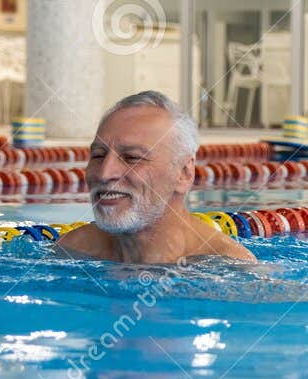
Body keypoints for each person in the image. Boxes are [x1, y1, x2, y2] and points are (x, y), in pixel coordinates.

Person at [58, 91, 254, 264]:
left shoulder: (227, 269)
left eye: (132, 158)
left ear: (184, 174)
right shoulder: (71, 251)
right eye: (98, 155)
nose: (104, 173)